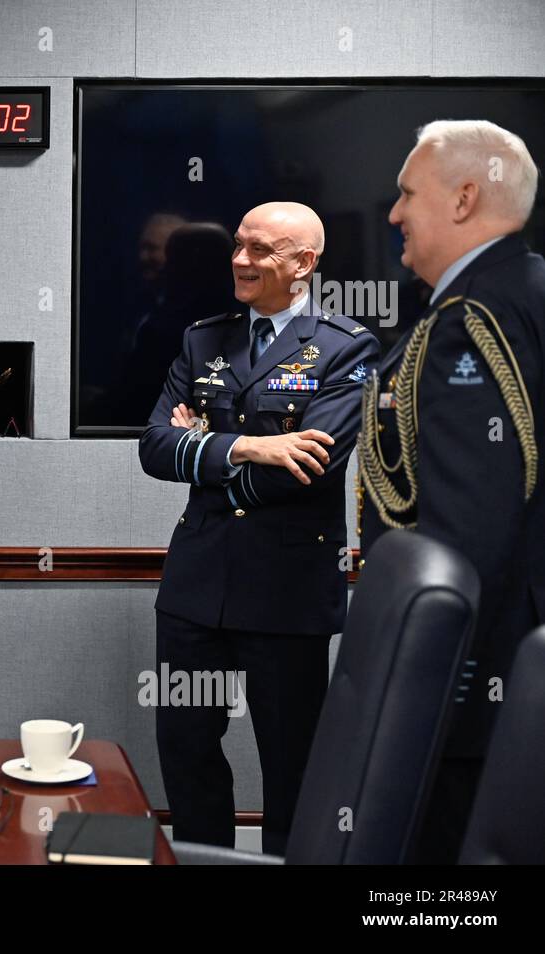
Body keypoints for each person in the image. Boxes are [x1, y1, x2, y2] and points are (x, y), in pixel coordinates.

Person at [139, 201, 380, 854]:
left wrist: (208, 448)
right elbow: (155, 448)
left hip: (288, 594)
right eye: (238, 245)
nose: (241, 261)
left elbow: (309, 464)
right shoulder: (202, 338)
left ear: (305, 263)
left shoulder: (347, 346)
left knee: (292, 765)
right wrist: (248, 447)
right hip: (197, 590)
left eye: (262, 250)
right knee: (187, 754)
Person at [359, 119, 544, 862]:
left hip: (473, 682)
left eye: (407, 193)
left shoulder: (473, 322)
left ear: (465, 198)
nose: (395, 212)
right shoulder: (530, 289)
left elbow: (466, 539)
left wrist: (415, 683)